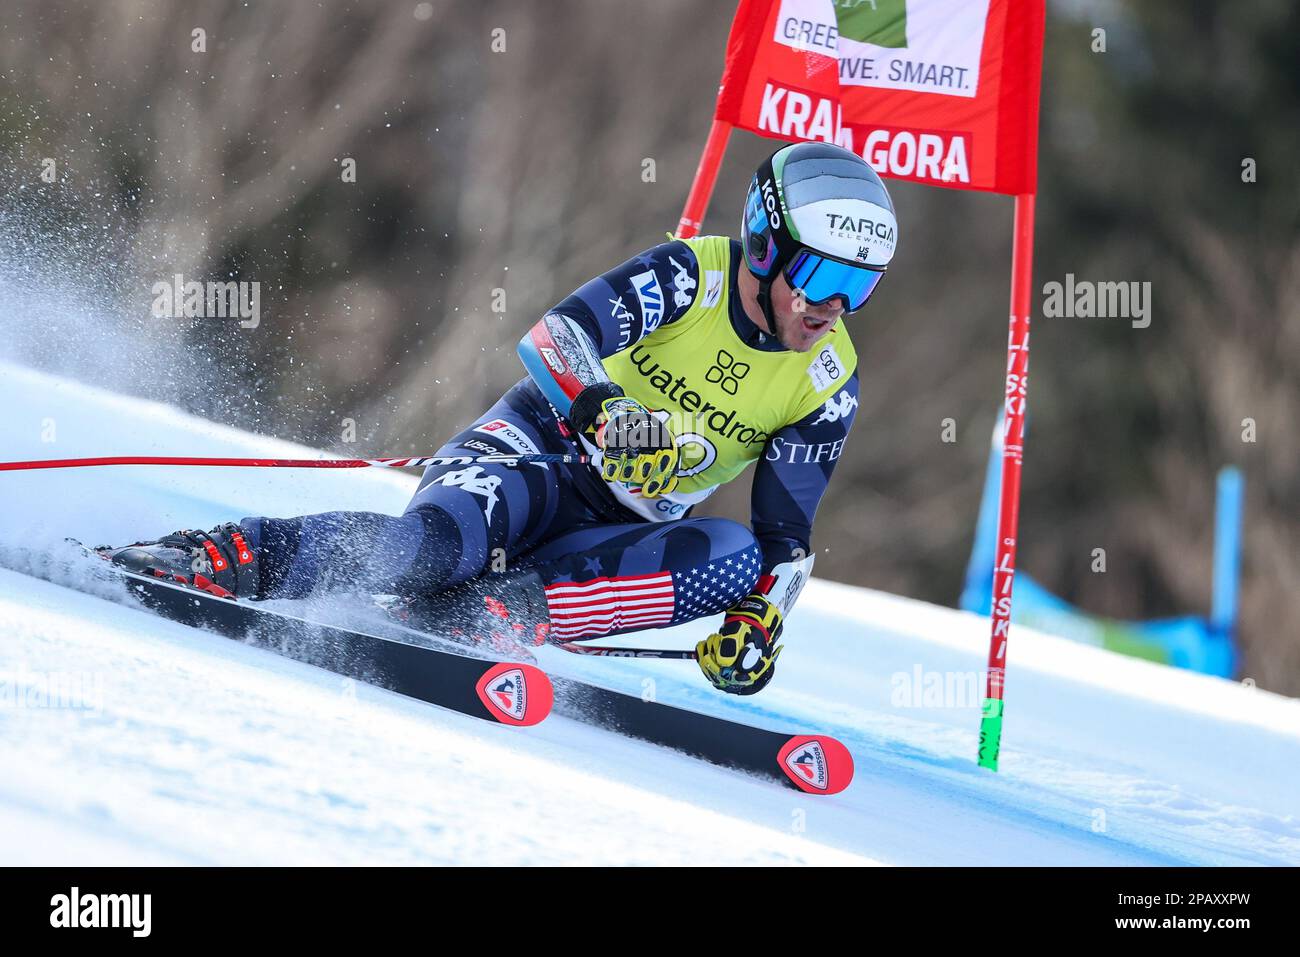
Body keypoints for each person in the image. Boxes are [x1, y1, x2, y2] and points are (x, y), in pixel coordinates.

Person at [102, 141, 898, 696]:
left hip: (604, 539)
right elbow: (555, 337)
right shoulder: (692, 275)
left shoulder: (828, 380)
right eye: (823, 275)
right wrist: (606, 412)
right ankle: (229, 556)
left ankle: (493, 615)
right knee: (432, 548)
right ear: (765, 244)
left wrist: (760, 625)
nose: (833, 307)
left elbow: (784, 546)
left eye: (859, 288)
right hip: (531, 462)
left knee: (731, 555)